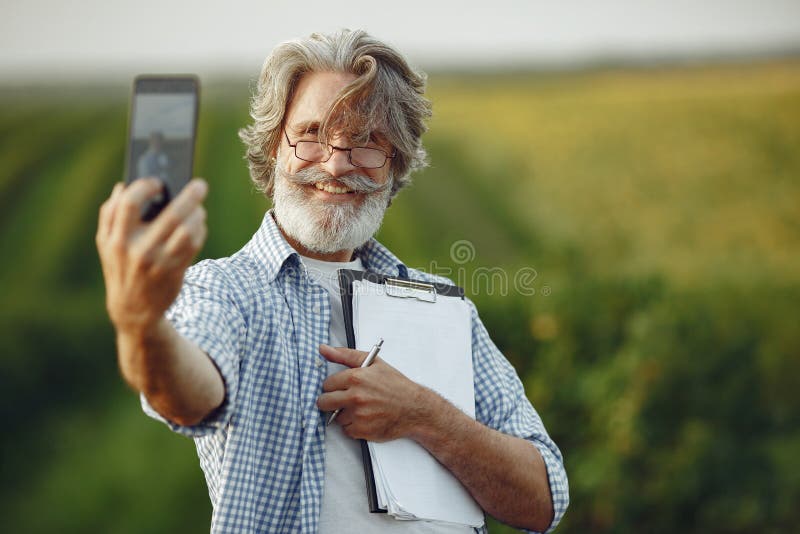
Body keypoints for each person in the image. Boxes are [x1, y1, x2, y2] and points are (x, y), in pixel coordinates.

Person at [96, 30, 569, 534]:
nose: (337, 163)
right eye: (312, 133)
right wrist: (140, 323)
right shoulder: (225, 291)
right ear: (275, 145)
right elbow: (188, 397)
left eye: (368, 141)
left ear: (396, 164)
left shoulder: (441, 308)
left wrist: (423, 414)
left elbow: (543, 499)